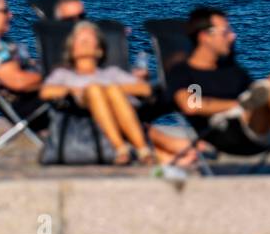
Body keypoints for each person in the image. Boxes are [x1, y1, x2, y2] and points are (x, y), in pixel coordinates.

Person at [167, 7, 270, 174]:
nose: (232, 36)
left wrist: (253, 98)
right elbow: (191, 105)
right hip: (229, 132)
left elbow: (253, 96)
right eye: (225, 32)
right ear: (205, 37)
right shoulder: (186, 72)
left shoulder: (229, 68)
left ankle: (267, 85)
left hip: (260, 120)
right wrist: (239, 104)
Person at [40, 21, 194, 166]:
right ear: (71, 49)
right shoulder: (64, 74)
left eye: (89, 37)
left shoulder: (112, 73)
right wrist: (78, 89)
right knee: (94, 90)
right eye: (79, 39)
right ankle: (141, 150)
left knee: (110, 90)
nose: (84, 40)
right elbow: (46, 92)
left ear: (99, 49)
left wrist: (110, 89)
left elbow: (145, 89)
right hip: (81, 110)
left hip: (121, 109)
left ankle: (148, 154)